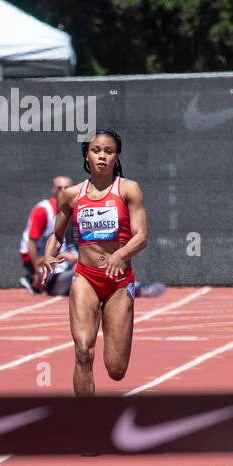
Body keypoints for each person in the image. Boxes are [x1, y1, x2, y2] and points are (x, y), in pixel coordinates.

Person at [41, 129, 148, 397]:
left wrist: (120, 255)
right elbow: (56, 234)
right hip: (86, 278)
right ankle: (87, 421)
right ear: (87, 156)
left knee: (116, 369)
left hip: (118, 282)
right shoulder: (73, 195)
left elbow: (142, 236)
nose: (102, 156)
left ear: (116, 157)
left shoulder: (128, 189)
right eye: (96, 151)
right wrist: (48, 255)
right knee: (83, 351)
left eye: (108, 152)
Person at [20, 175, 79, 295]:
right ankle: (37, 280)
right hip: (36, 257)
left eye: (66, 188)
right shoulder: (43, 211)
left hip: (59, 256)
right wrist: (36, 271)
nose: (62, 191)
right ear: (53, 190)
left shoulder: (72, 210)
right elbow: (31, 243)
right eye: (59, 188)